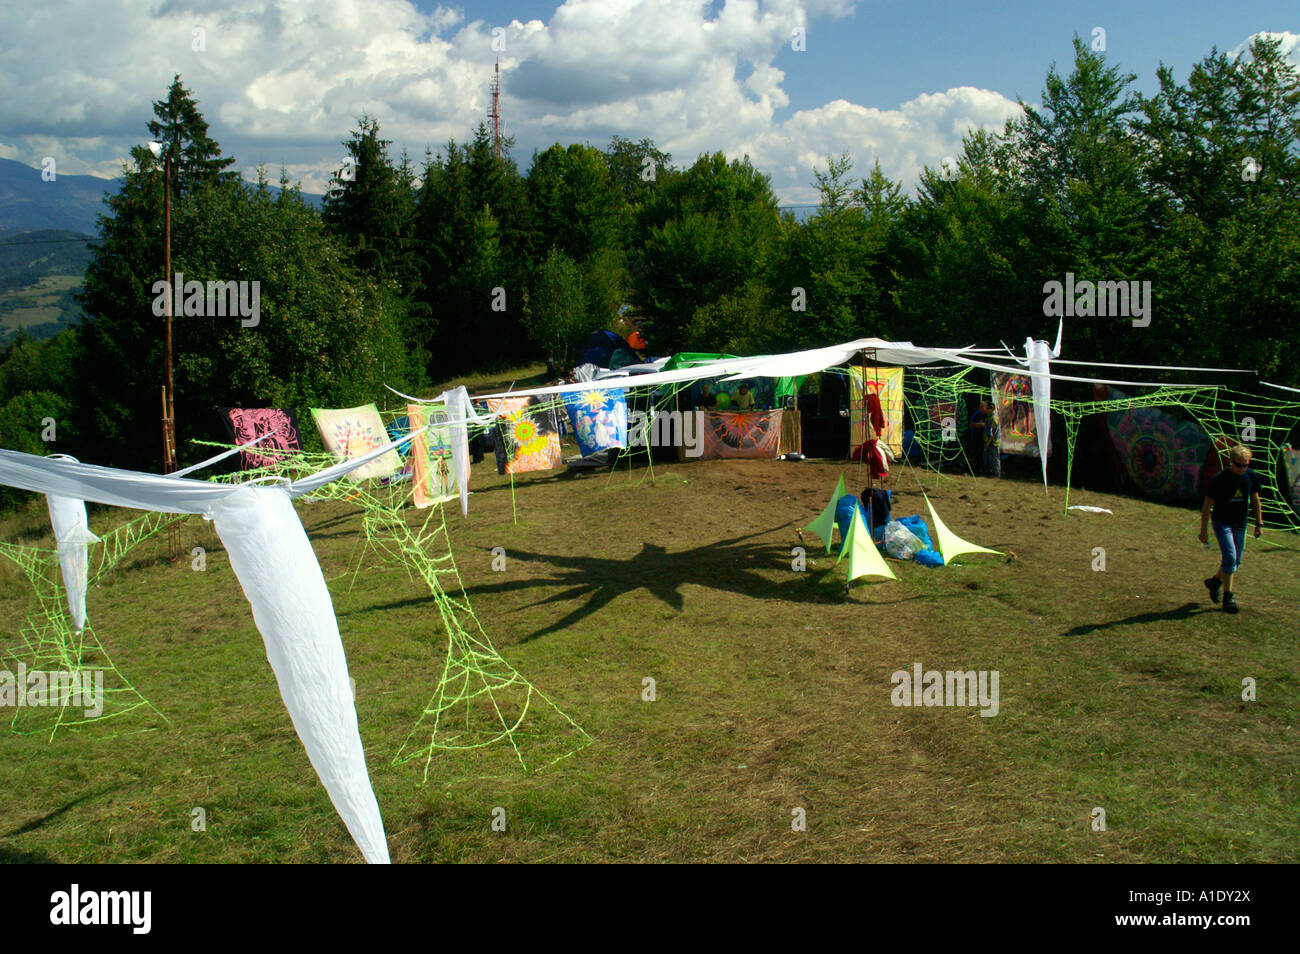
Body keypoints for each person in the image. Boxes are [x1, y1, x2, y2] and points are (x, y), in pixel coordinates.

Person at [1199, 444, 1263, 614]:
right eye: (1239, 465)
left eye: (1246, 465)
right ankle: (1229, 598)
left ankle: (1214, 582)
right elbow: (1207, 506)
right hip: (1222, 522)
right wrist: (1203, 530)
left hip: (1240, 524)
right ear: (1231, 461)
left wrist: (1259, 524)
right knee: (1230, 557)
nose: (1242, 469)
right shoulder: (1220, 478)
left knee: (1236, 561)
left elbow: (1256, 500)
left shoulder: (1250, 476)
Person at [969, 399, 1000, 478]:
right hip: (980, 439)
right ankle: (983, 472)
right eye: (980, 407)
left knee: (993, 458)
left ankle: (995, 474)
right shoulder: (978, 415)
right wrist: (980, 425)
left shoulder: (991, 417)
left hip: (990, 441)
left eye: (983, 407)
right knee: (982, 456)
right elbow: (971, 424)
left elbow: (992, 431)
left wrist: (988, 442)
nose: (981, 409)